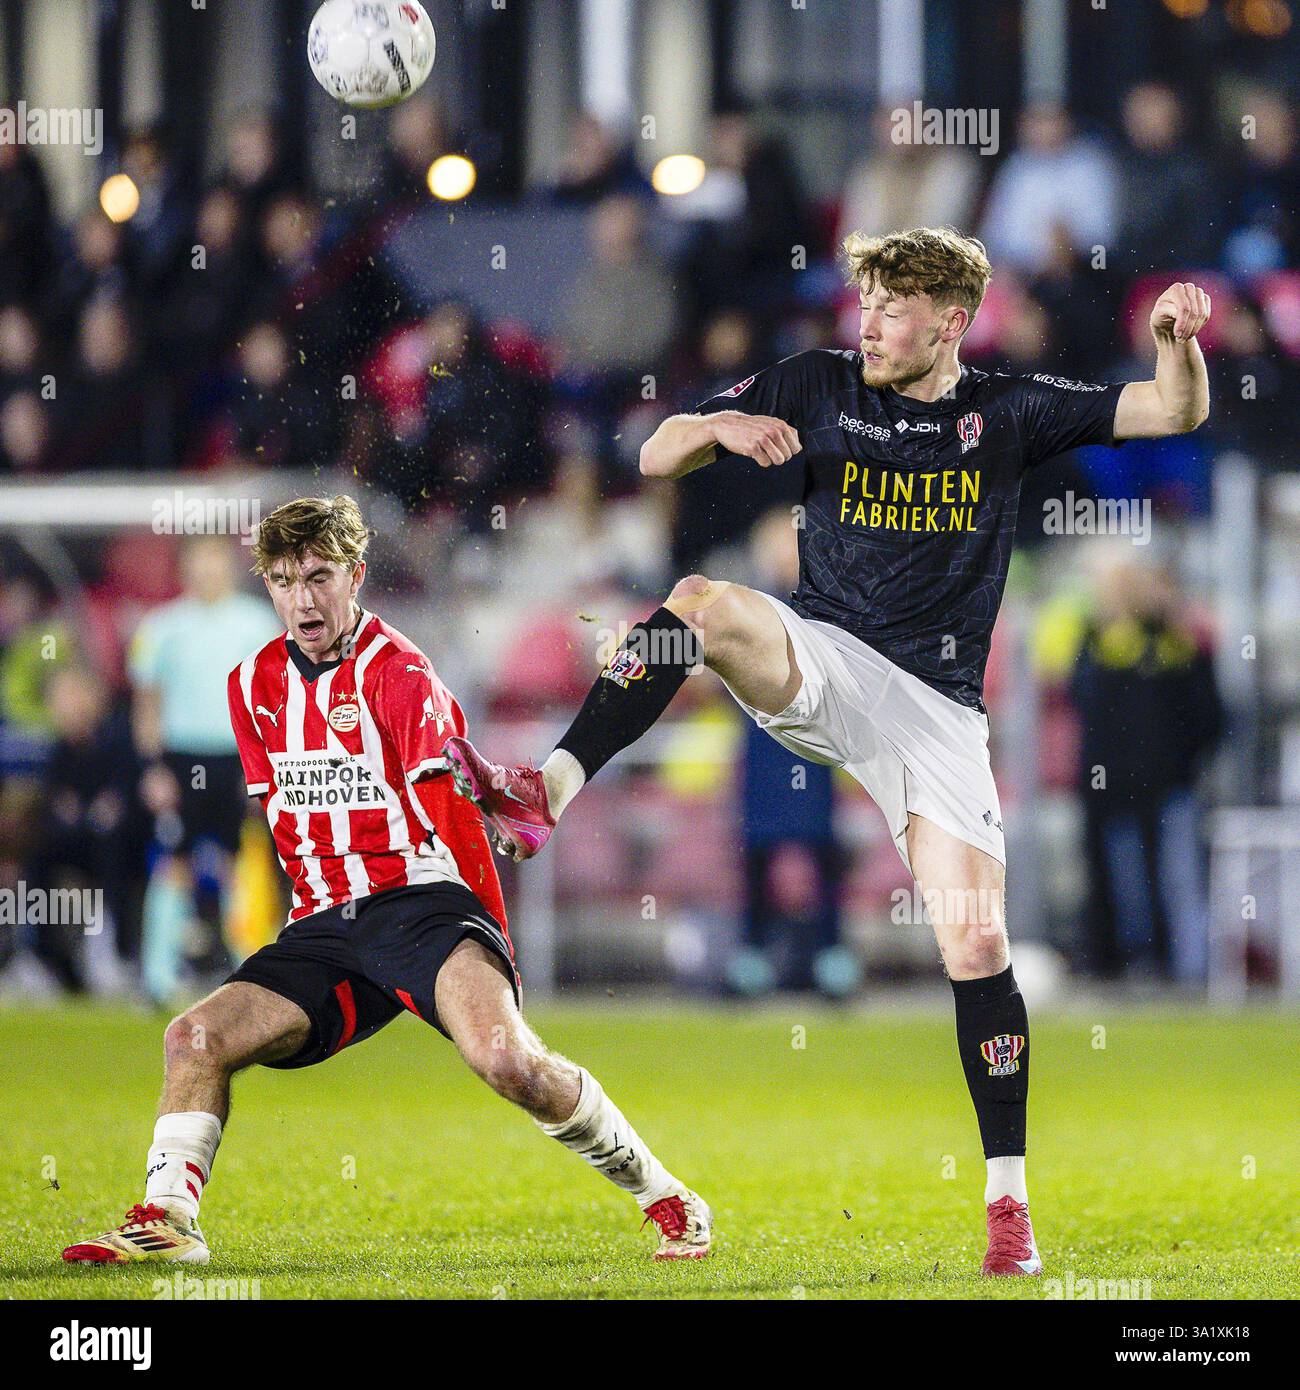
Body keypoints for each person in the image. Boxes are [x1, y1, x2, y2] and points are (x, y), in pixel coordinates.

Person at [440, 227, 1212, 1278]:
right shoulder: (814, 382)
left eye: (894, 309)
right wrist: (724, 421)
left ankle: (1007, 1207)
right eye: (867, 305)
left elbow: (1172, 409)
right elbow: (654, 452)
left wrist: (1174, 339)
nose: (871, 323)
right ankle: (549, 789)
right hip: (825, 654)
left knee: (977, 947)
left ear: (950, 321)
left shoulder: (1011, 409)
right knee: (698, 603)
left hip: (935, 713)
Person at [63, 496, 709, 1266]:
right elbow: (283, 823)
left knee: (506, 1059)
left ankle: (666, 1195)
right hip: (325, 924)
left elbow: (456, 814)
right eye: (282, 580)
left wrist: (494, 937)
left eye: (319, 576)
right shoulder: (251, 686)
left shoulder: (399, 674)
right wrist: (285, 929)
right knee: (193, 1037)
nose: (302, 598)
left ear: (356, 575)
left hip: (422, 906)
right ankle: (167, 1221)